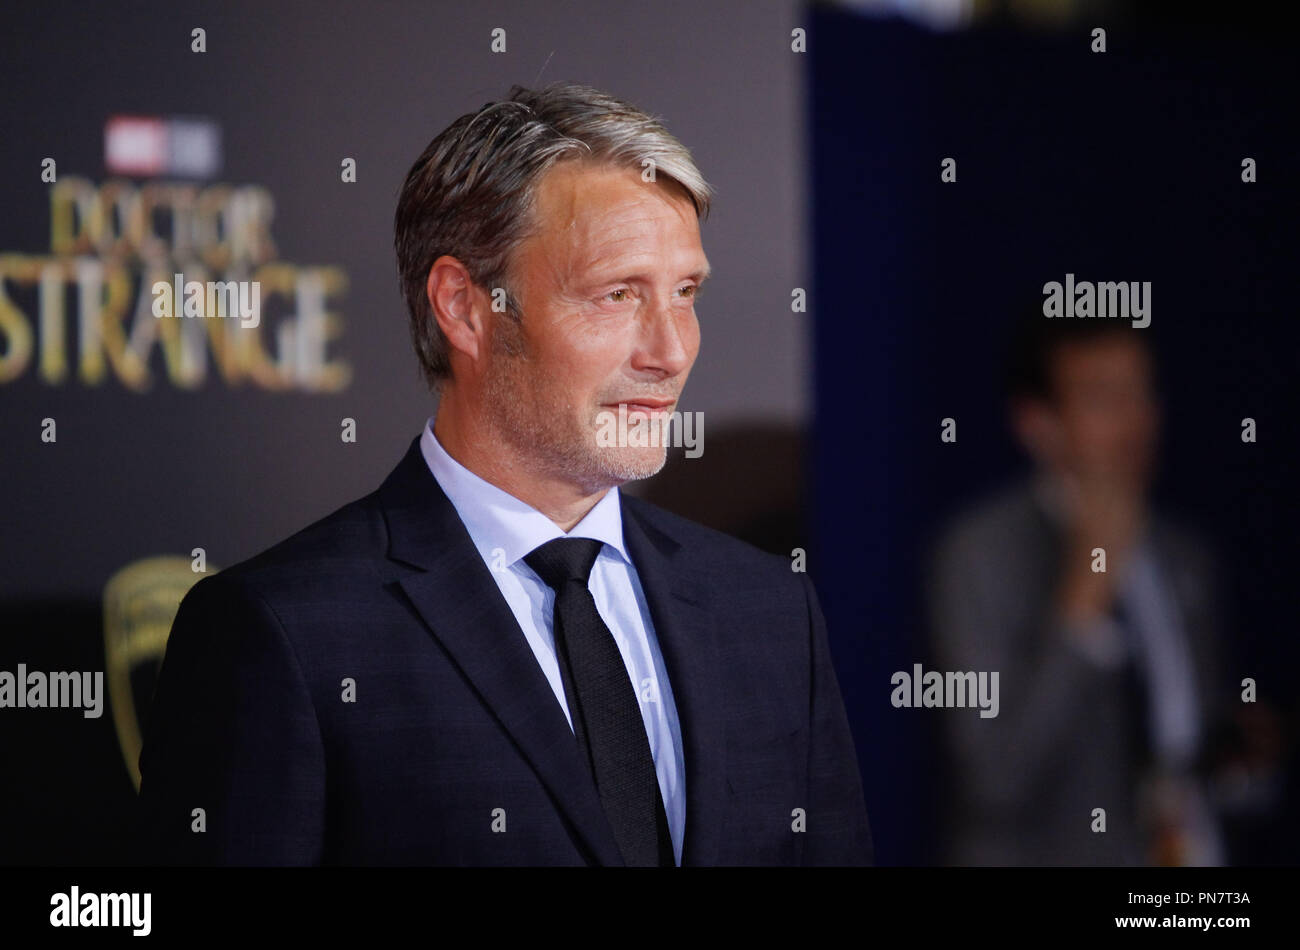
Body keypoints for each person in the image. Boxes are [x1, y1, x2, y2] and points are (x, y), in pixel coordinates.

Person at [132, 82, 872, 866]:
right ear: (465, 305)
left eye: (685, 293)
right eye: (617, 294)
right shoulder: (284, 633)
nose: (671, 351)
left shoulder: (768, 612)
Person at [927, 314, 1228, 865]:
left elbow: (1191, 750)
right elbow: (996, 779)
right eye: (1101, 398)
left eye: (1141, 393)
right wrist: (1081, 604)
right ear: (1037, 422)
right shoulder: (978, 555)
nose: (1133, 422)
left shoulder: (1184, 554)